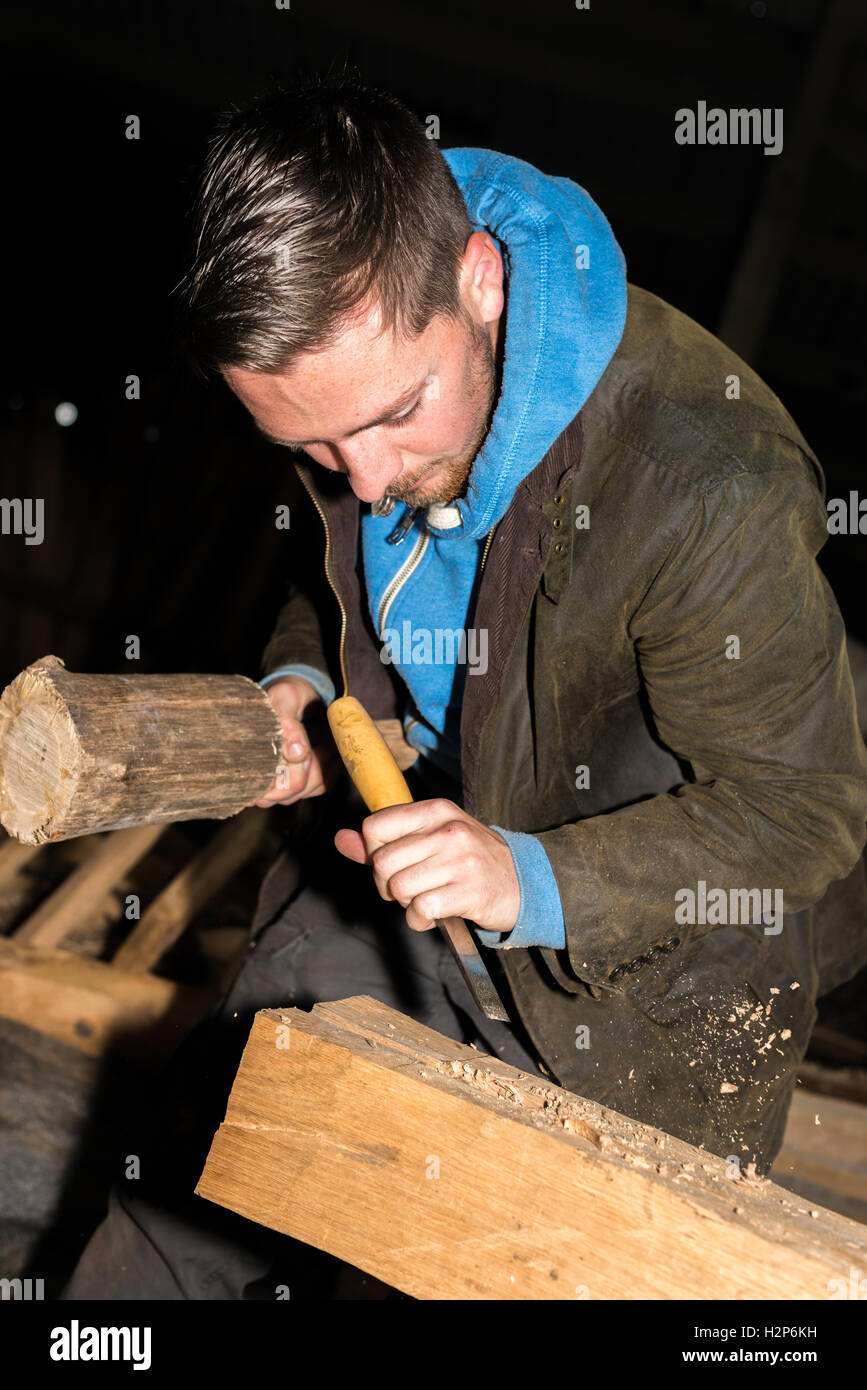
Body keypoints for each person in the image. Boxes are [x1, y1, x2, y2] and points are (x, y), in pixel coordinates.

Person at [63, 71, 867, 1299]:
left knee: (472, 1265)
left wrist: (527, 877)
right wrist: (299, 681)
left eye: (393, 417)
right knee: (194, 1187)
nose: (367, 477)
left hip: (639, 982)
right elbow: (337, 578)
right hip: (398, 878)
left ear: (481, 280)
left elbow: (804, 815)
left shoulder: (709, 479)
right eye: (312, 449)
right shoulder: (359, 369)